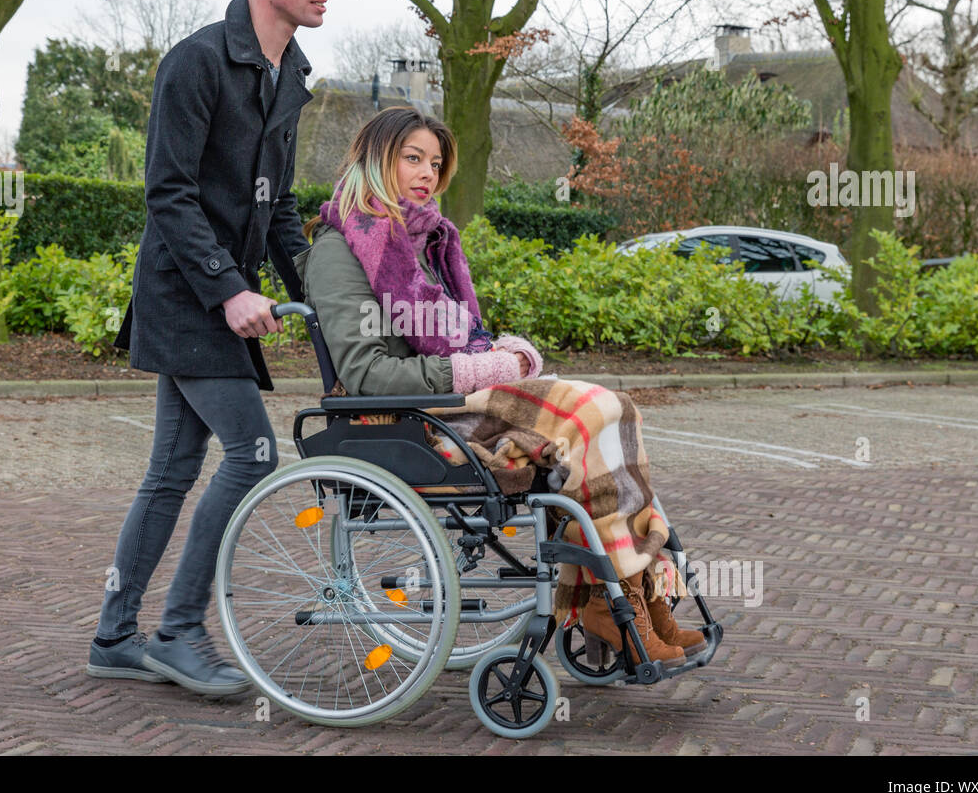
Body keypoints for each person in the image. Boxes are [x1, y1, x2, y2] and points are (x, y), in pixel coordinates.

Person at [292, 106, 705, 667]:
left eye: (435, 163)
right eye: (412, 158)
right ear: (375, 159)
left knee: (615, 414)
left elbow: (459, 339)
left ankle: (635, 599)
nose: (427, 174)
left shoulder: (426, 244)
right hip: (408, 418)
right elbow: (368, 375)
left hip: (452, 404)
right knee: (593, 412)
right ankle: (617, 600)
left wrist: (499, 355)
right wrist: (486, 369)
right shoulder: (338, 251)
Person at [86, 0, 335, 695]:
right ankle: (181, 630)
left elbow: (281, 202)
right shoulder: (195, 62)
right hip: (183, 296)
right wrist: (229, 289)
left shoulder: (290, 72)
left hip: (221, 299)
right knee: (252, 453)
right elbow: (169, 192)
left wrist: (325, 288)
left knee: (170, 469)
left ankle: (114, 636)